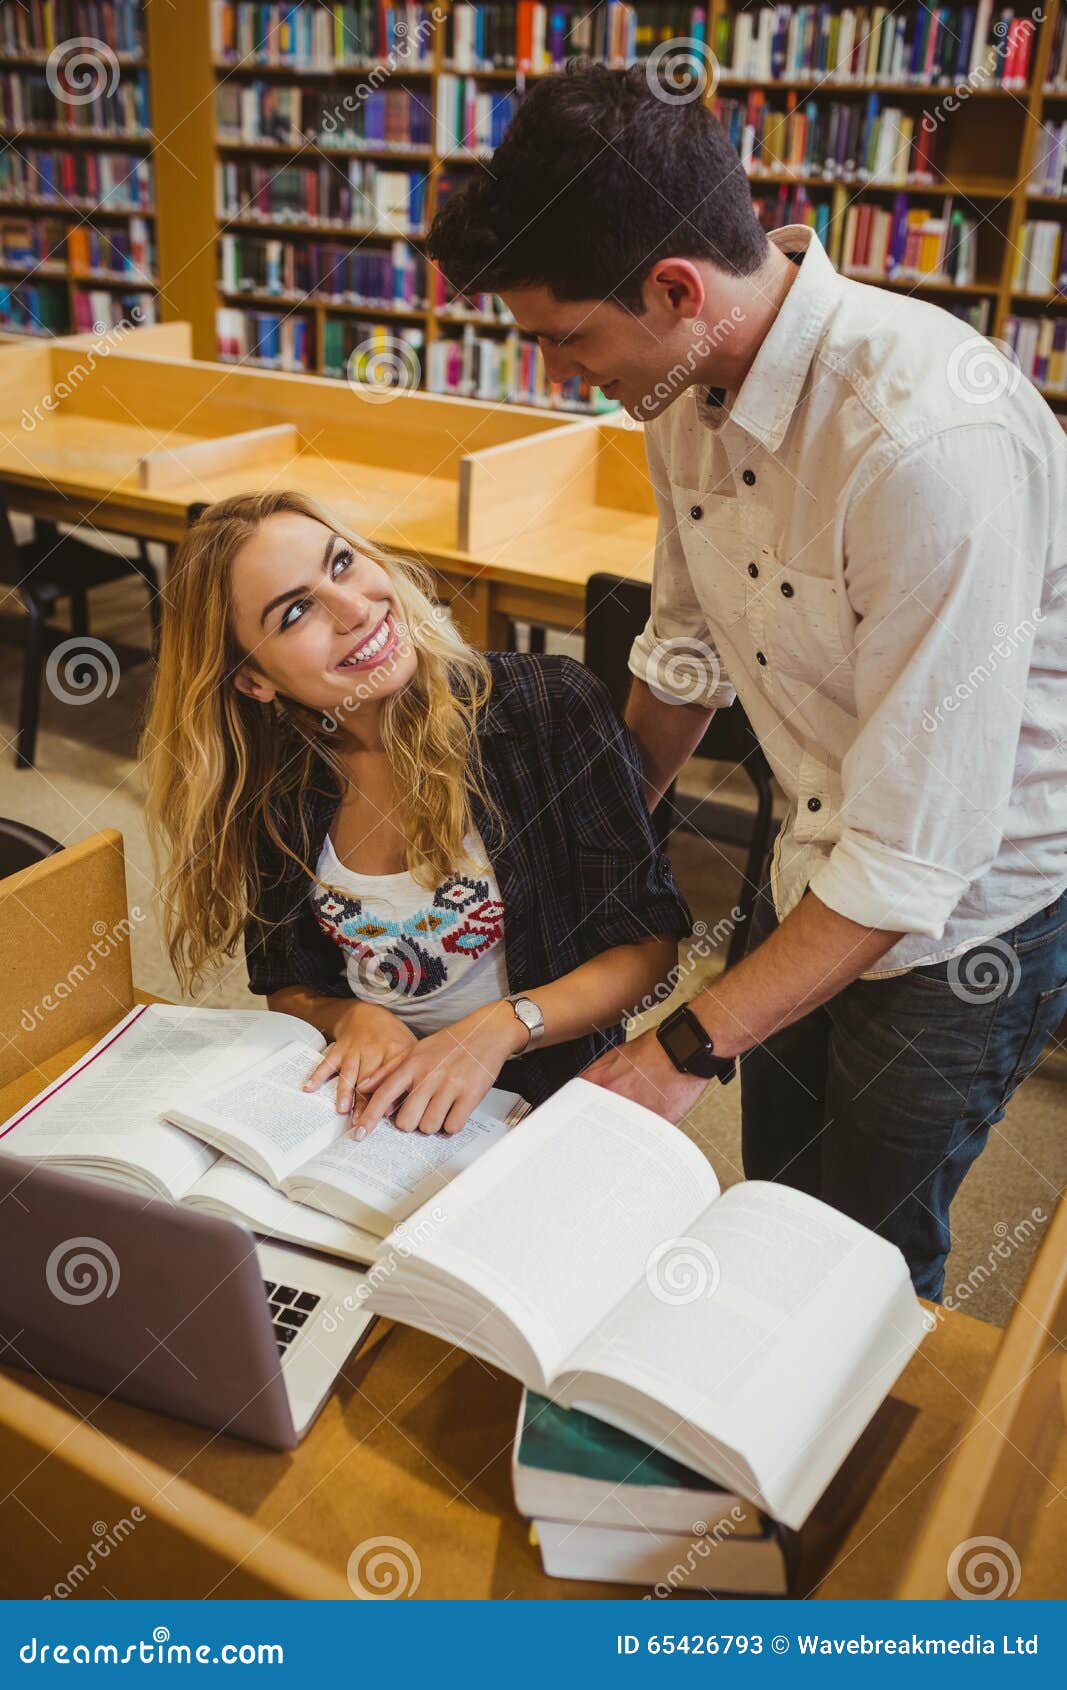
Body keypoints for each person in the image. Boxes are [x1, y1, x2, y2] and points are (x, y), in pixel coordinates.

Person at [426, 59, 1067, 1298]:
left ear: (673, 287)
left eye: (565, 338)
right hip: (812, 847)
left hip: (964, 914)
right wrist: (588, 849)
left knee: (866, 1257)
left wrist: (678, 1048)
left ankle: (846, 1488)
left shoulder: (923, 442)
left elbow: (910, 860)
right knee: (773, 1197)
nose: (560, 373)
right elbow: (683, 646)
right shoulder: (678, 381)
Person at [142, 488, 692, 1139]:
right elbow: (286, 984)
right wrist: (348, 1017)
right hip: (379, 1110)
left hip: (542, 1097)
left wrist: (500, 1026)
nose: (354, 610)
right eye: (294, 613)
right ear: (252, 681)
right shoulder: (274, 786)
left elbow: (647, 947)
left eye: (342, 563)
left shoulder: (547, 704)